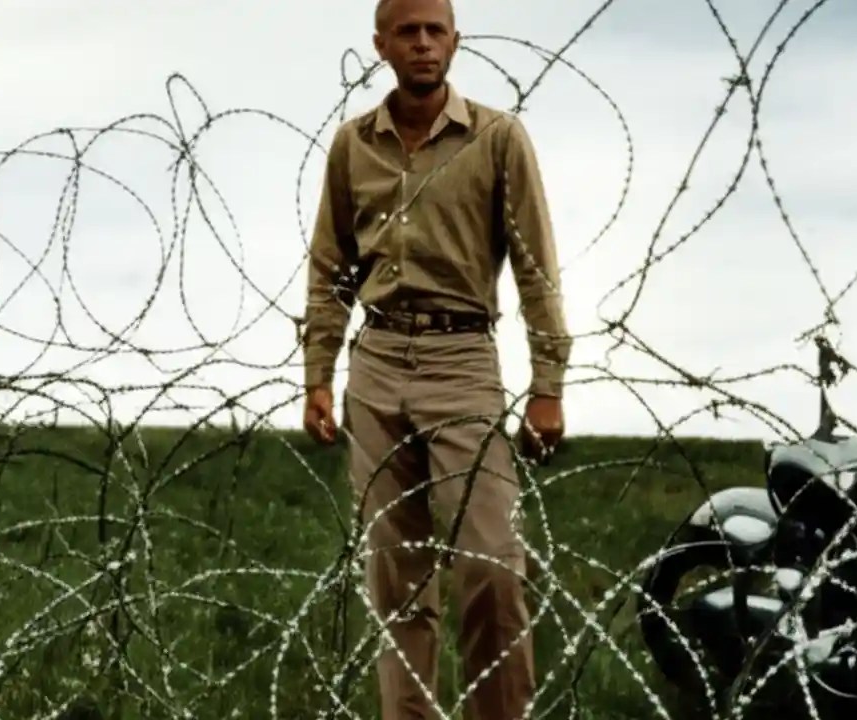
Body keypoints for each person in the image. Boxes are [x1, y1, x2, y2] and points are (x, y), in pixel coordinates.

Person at [298, 0, 572, 716]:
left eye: (435, 31)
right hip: (379, 358)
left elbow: (535, 267)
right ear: (381, 44)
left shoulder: (496, 138)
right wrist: (318, 375)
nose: (423, 45)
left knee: (490, 567)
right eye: (408, 32)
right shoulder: (353, 145)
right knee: (398, 581)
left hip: (462, 359)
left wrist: (549, 384)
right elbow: (331, 269)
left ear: (455, 41)